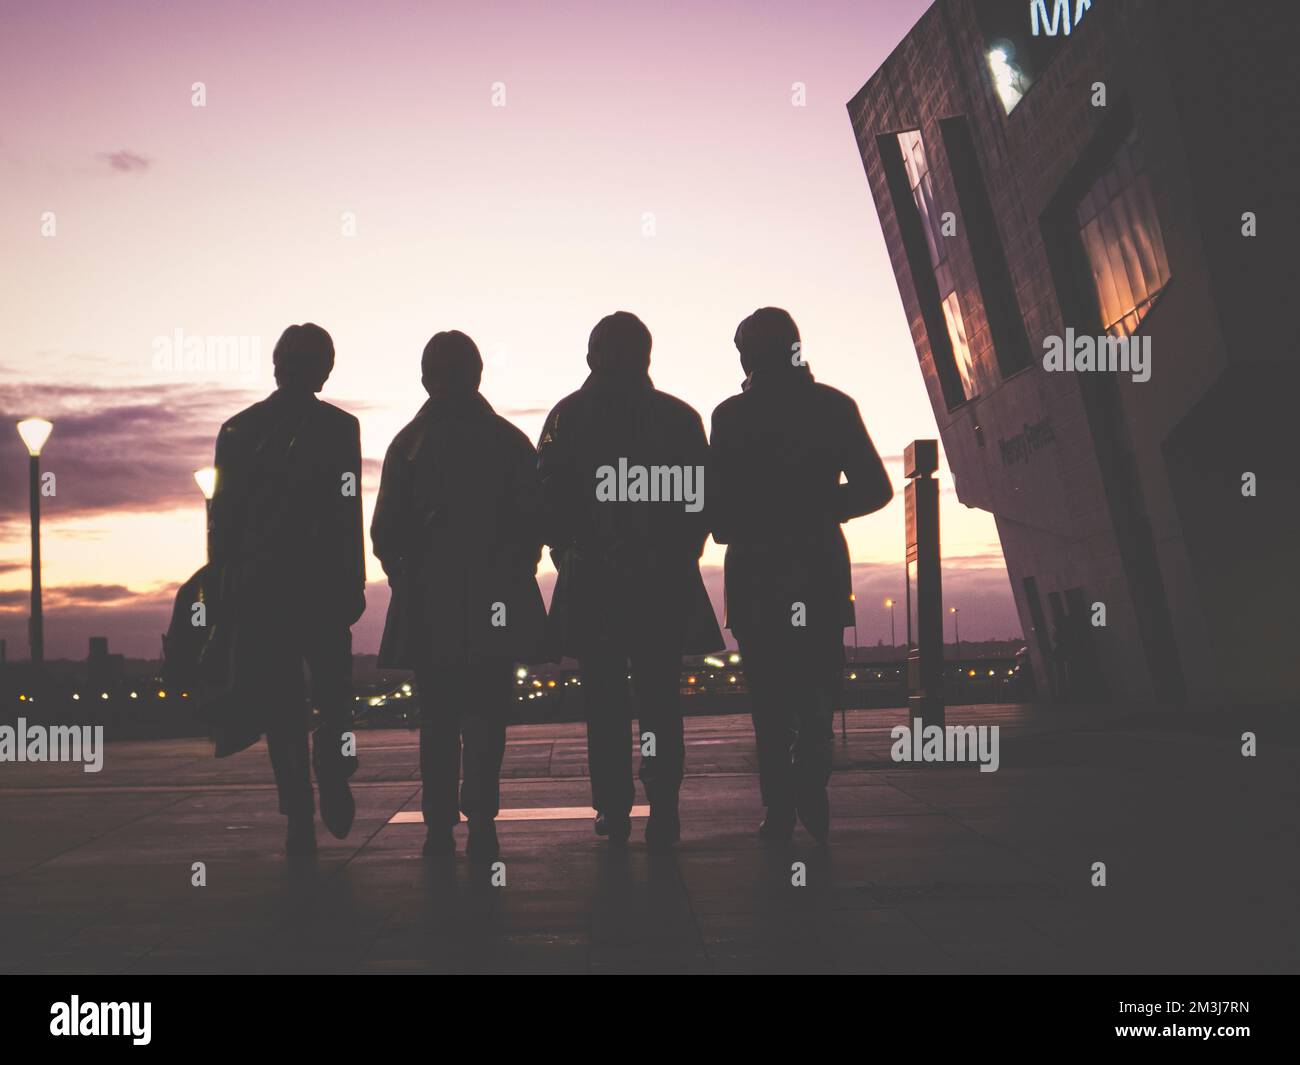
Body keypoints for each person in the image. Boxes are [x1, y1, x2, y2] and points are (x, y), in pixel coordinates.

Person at [538, 312, 722, 850]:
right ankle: (663, 805)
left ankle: (613, 809)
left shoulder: (566, 417)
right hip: (662, 581)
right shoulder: (679, 418)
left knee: (604, 703)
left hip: (593, 580)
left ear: (593, 356)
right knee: (661, 697)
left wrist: (566, 552)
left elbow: (545, 500)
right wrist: (679, 554)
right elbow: (700, 502)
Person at [709, 308, 892, 843]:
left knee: (767, 702)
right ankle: (811, 785)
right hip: (818, 570)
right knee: (815, 694)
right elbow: (874, 489)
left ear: (748, 355)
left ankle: (781, 808)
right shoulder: (832, 407)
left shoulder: (731, 416)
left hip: (757, 574)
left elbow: (715, 502)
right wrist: (818, 505)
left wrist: (740, 520)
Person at [371, 331, 546, 861]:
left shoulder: (406, 445)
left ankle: (439, 824)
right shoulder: (510, 441)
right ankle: (482, 815)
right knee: (488, 711)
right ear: (478, 374)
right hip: (495, 597)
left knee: (439, 717)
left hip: (430, 600)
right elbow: (533, 525)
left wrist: (410, 576)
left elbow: (384, 535)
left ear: (427, 378)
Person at [207, 323, 365, 857]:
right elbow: (347, 510)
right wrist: (354, 580)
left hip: (262, 589)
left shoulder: (237, 430)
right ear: (324, 368)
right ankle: (334, 769)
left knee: (283, 710)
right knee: (334, 698)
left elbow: (221, 524)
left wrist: (222, 590)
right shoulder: (341, 428)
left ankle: (298, 811)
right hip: (320, 585)